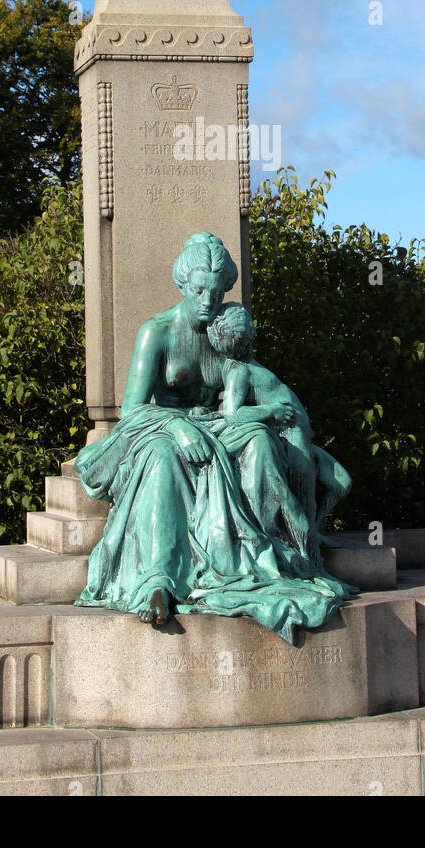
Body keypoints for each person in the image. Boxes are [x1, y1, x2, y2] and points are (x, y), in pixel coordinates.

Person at [74, 232, 354, 644]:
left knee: (258, 440)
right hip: (162, 431)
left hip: (220, 426)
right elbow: (131, 410)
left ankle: (261, 557)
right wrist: (177, 425)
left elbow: (249, 392)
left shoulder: (227, 330)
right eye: (199, 290)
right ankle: (159, 580)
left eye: (216, 290)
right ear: (183, 286)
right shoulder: (158, 333)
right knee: (162, 457)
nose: (208, 300)